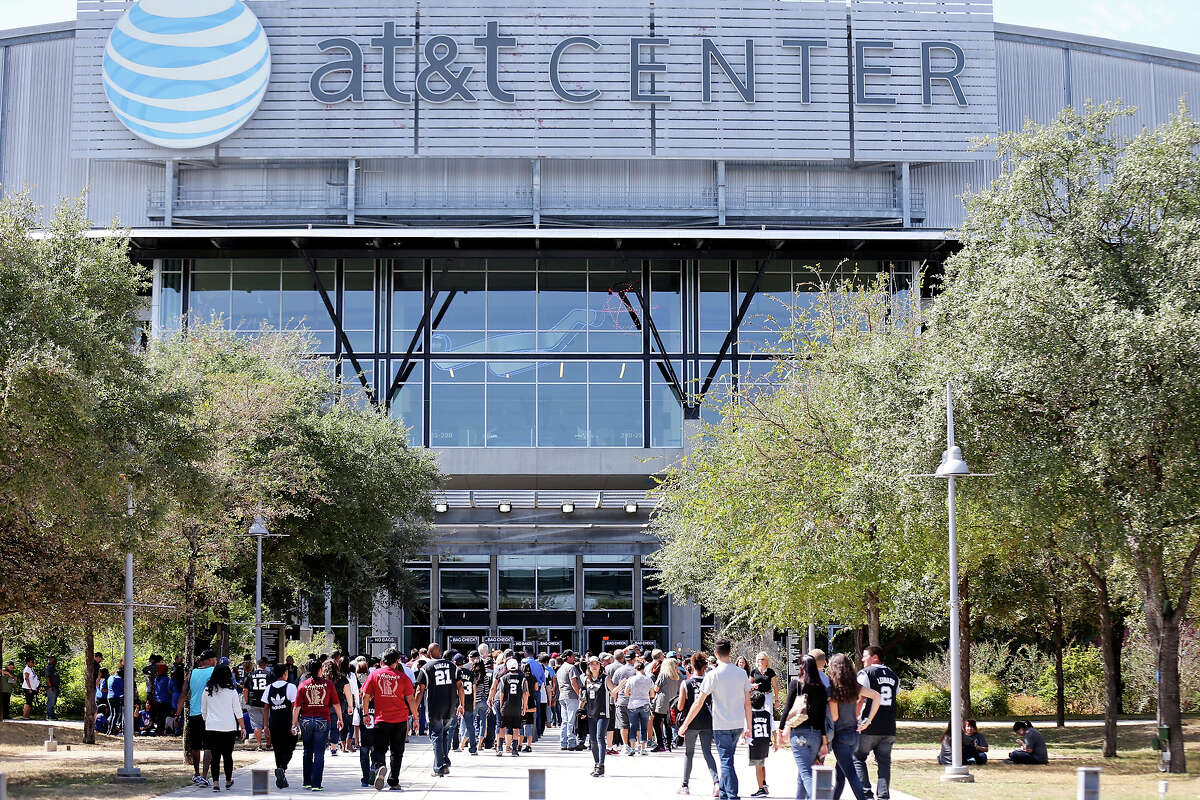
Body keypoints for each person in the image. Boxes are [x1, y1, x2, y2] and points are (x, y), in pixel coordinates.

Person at [679, 639, 752, 800]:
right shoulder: (742, 673)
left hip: (721, 724)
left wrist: (685, 724)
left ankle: (732, 795)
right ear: (731, 652)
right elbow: (748, 703)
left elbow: (699, 702)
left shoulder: (713, 675)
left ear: (715, 653)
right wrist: (749, 727)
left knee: (726, 761)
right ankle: (724, 793)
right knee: (728, 759)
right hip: (738, 722)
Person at [360, 647, 418, 791]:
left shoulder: (374, 675)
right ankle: (393, 781)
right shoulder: (403, 677)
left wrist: (366, 714)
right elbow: (411, 699)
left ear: (383, 661)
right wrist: (416, 718)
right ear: (397, 661)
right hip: (400, 720)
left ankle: (381, 766)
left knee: (379, 749)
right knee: (397, 752)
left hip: (381, 719)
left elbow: (365, 696)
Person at [828, 653, 880, 800]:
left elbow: (835, 717)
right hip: (854, 735)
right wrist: (868, 720)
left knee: (850, 774)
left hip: (840, 736)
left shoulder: (833, 688)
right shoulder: (855, 686)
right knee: (840, 774)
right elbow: (877, 696)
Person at [853, 646, 899, 800]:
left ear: (875, 657)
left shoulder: (865, 673)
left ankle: (866, 794)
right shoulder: (894, 676)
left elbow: (860, 697)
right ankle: (883, 795)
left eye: (865, 656)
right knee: (884, 762)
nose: (862, 659)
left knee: (858, 757)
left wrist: (855, 717)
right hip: (889, 726)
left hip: (869, 724)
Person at [292, 658, 343, 791]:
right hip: (323, 720)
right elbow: (336, 703)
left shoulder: (303, 685)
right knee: (319, 753)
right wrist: (340, 718)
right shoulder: (328, 684)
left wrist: (294, 722)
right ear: (320, 670)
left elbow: (296, 706)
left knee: (307, 751)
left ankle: (307, 781)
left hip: (307, 721)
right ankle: (316, 784)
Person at [783, 654, 829, 800]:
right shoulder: (821, 688)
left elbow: (787, 709)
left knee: (806, 773)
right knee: (802, 775)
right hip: (816, 735)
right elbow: (822, 717)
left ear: (802, 667)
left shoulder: (796, 683)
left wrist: (782, 729)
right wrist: (824, 741)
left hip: (799, 734)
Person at [415, 643, 463, 777]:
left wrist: (415, 709)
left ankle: (439, 766)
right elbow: (460, 687)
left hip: (434, 707)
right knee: (445, 734)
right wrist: (462, 704)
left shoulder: (426, 668)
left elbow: (420, 690)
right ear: (440, 652)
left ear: (429, 654)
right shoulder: (453, 666)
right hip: (450, 705)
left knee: (436, 735)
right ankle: (444, 761)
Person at [676, 651, 719, 796]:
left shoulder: (686, 683)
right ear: (705, 667)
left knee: (689, 753)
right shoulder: (710, 682)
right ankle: (716, 783)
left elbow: (680, 707)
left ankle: (685, 785)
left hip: (691, 721)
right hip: (707, 721)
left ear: (692, 666)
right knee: (707, 752)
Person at [177, 649, 218, 787]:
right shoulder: (214, 672)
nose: (216, 662)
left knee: (195, 746)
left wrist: (177, 713)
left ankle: (196, 773)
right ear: (211, 660)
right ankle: (205, 776)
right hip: (209, 714)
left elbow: (183, 694)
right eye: (215, 659)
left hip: (194, 713)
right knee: (208, 745)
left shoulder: (191, 673)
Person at [201, 663, 245, 792]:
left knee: (215, 756)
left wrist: (208, 721)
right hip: (228, 727)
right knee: (227, 756)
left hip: (212, 727)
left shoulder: (207, 691)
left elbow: (203, 711)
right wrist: (243, 727)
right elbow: (238, 711)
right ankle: (228, 780)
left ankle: (215, 783)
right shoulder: (231, 691)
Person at [263, 664, 298, 789]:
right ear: (285, 674)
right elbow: (295, 706)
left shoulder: (269, 688)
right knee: (290, 746)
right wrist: (295, 723)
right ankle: (282, 768)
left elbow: (266, 708)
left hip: (274, 723)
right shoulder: (291, 687)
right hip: (288, 722)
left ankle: (280, 770)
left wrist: (265, 725)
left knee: (277, 748)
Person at [493, 657, 528, 757]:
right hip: (517, 705)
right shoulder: (522, 678)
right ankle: (515, 750)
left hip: (506, 705)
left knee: (502, 727)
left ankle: (500, 748)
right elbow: (525, 694)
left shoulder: (504, 678)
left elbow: (502, 694)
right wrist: (524, 706)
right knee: (516, 728)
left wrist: (500, 705)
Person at [580, 656, 609, 776]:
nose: (594, 666)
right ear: (589, 666)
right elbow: (583, 697)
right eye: (592, 664)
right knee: (592, 740)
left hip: (603, 712)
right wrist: (580, 710)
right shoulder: (586, 680)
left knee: (600, 738)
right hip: (591, 713)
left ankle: (601, 766)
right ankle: (596, 764)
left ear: (600, 665)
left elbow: (612, 691)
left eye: (596, 663)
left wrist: (620, 686)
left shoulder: (605, 678)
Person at [621, 659, 655, 755]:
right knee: (644, 727)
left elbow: (626, 693)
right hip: (645, 704)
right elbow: (652, 694)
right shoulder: (648, 679)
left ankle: (632, 748)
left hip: (633, 704)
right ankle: (643, 749)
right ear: (643, 669)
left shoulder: (631, 679)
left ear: (635, 669)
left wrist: (633, 694)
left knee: (633, 726)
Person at [607, 648, 636, 754]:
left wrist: (615, 700)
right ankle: (634, 745)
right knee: (634, 724)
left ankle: (625, 745)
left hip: (622, 700)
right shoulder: (637, 670)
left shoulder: (619, 671)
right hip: (635, 701)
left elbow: (614, 687)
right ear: (634, 659)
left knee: (623, 724)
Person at [748, 691, 776, 798]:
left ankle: (760, 789)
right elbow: (773, 729)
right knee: (762, 763)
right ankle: (763, 783)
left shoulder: (750, 714)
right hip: (765, 742)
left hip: (755, 743)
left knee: (758, 767)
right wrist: (776, 742)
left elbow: (747, 729)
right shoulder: (768, 714)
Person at [554, 650, 582, 751]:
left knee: (564, 721)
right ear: (569, 657)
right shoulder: (571, 668)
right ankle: (571, 742)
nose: (574, 658)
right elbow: (573, 682)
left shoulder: (560, 668)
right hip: (571, 695)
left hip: (562, 696)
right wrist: (580, 695)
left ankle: (563, 742)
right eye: (573, 656)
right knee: (572, 719)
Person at [652, 656, 681, 753]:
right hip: (673, 701)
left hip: (662, 702)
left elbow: (656, 688)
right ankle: (669, 744)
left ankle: (660, 744)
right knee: (668, 724)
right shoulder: (678, 676)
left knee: (656, 723)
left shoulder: (663, 675)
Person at [244, 658, 271, 750]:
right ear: (265, 666)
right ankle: (268, 743)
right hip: (266, 703)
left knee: (256, 725)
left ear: (257, 665)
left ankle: (259, 745)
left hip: (253, 702)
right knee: (267, 724)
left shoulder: (250, 675)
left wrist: (247, 701)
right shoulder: (269, 674)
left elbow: (245, 690)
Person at [455, 653, 479, 755]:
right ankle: (473, 748)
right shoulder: (470, 673)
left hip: (457, 701)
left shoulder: (455, 672)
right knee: (470, 726)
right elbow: (474, 688)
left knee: (453, 726)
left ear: (455, 662)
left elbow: (456, 688)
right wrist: (474, 702)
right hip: (469, 700)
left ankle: (455, 745)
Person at [153, 664, 174, 735]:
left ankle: (159, 730)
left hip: (158, 700)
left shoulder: (156, 679)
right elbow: (170, 690)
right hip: (166, 701)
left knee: (159, 716)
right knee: (165, 716)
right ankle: (163, 730)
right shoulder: (167, 679)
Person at [45, 656, 60, 721]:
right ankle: (49, 715)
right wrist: (50, 687)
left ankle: (52, 714)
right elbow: (47, 678)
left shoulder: (54, 669)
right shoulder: (49, 668)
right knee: (51, 701)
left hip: (55, 687)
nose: (55, 662)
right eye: (54, 661)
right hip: (51, 687)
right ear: (51, 661)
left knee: (53, 701)